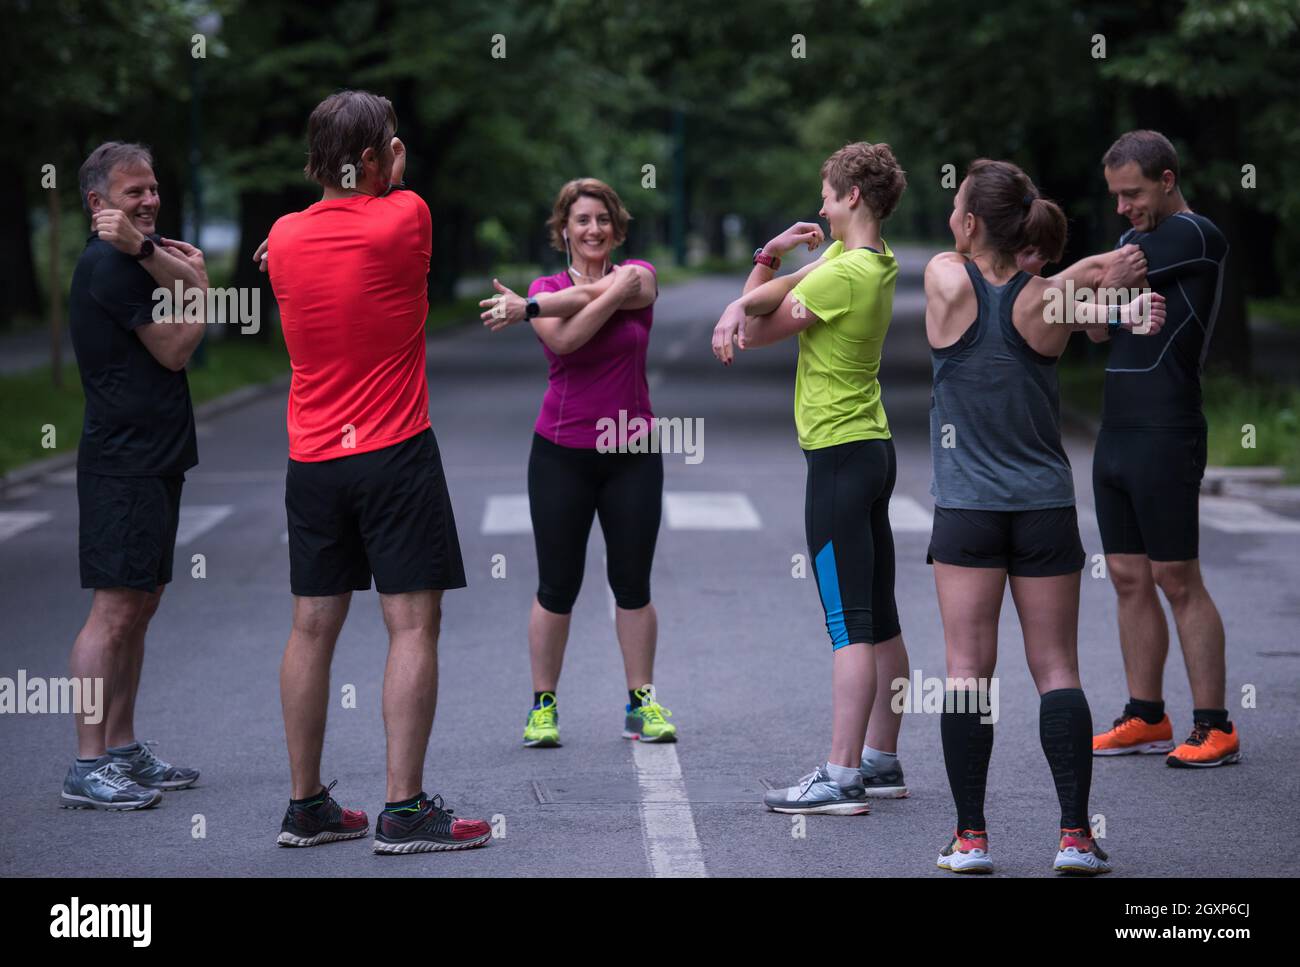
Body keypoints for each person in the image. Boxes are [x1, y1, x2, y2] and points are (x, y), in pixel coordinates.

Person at [264, 90, 491, 854]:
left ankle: (306, 805)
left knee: (310, 626)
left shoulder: (284, 237)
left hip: (313, 458)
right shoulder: (407, 216)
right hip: (393, 449)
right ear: (373, 159)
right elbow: (385, 198)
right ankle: (403, 808)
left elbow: (301, 248)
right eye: (393, 144)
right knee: (412, 623)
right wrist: (391, 167)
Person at [923, 158, 1165, 874]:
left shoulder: (943, 277)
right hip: (1044, 508)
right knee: (1058, 667)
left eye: (958, 207)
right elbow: (1083, 301)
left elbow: (963, 261)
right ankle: (1074, 837)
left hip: (966, 509)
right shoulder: (1046, 298)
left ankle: (970, 839)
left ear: (969, 222)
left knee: (966, 669)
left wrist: (1109, 293)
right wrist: (1121, 303)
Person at [711, 142, 912, 814]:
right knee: (880, 618)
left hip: (836, 457)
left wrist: (756, 279)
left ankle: (841, 775)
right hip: (871, 448)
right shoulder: (871, 261)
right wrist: (770, 273)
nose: (819, 205)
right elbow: (766, 303)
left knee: (847, 623)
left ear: (853, 195)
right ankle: (881, 761)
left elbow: (757, 327)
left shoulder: (842, 271)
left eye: (826, 193)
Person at [481, 178, 672, 747]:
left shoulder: (639, 274)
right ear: (563, 228)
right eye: (581, 220)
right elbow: (565, 343)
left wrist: (536, 307)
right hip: (561, 452)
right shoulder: (545, 286)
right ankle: (544, 706)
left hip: (632, 451)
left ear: (617, 228)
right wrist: (598, 296)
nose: (593, 230)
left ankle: (642, 703)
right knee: (557, 584)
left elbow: (622, 292)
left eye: (603, 220)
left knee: (632, 583)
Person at [63, 142, 208, 810]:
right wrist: (199, 286)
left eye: (153, 189)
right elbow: (177, 350)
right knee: (114, 611)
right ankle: (89, 762)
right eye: (133, 193)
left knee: (141, 605)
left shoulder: (134, 261)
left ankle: (122, 747)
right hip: (122, 465)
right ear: (98, 205)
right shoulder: (109, 267)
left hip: (154, 458)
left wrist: (178, 270)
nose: (150, 200)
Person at [1087, 130, 1238, 768]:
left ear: (1168, 180)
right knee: (1126, 576)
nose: (1123, 208)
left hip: (1168, 428)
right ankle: (1147, 715)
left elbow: (1090, 294)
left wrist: (1099, 290)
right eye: (1116, 196)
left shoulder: (1196, 236)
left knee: (1177, 577)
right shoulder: (1128, 244)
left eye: (1133, 193)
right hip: (1116, 428)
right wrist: (1106, 299)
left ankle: (1216, 726)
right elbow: (1088, 325)